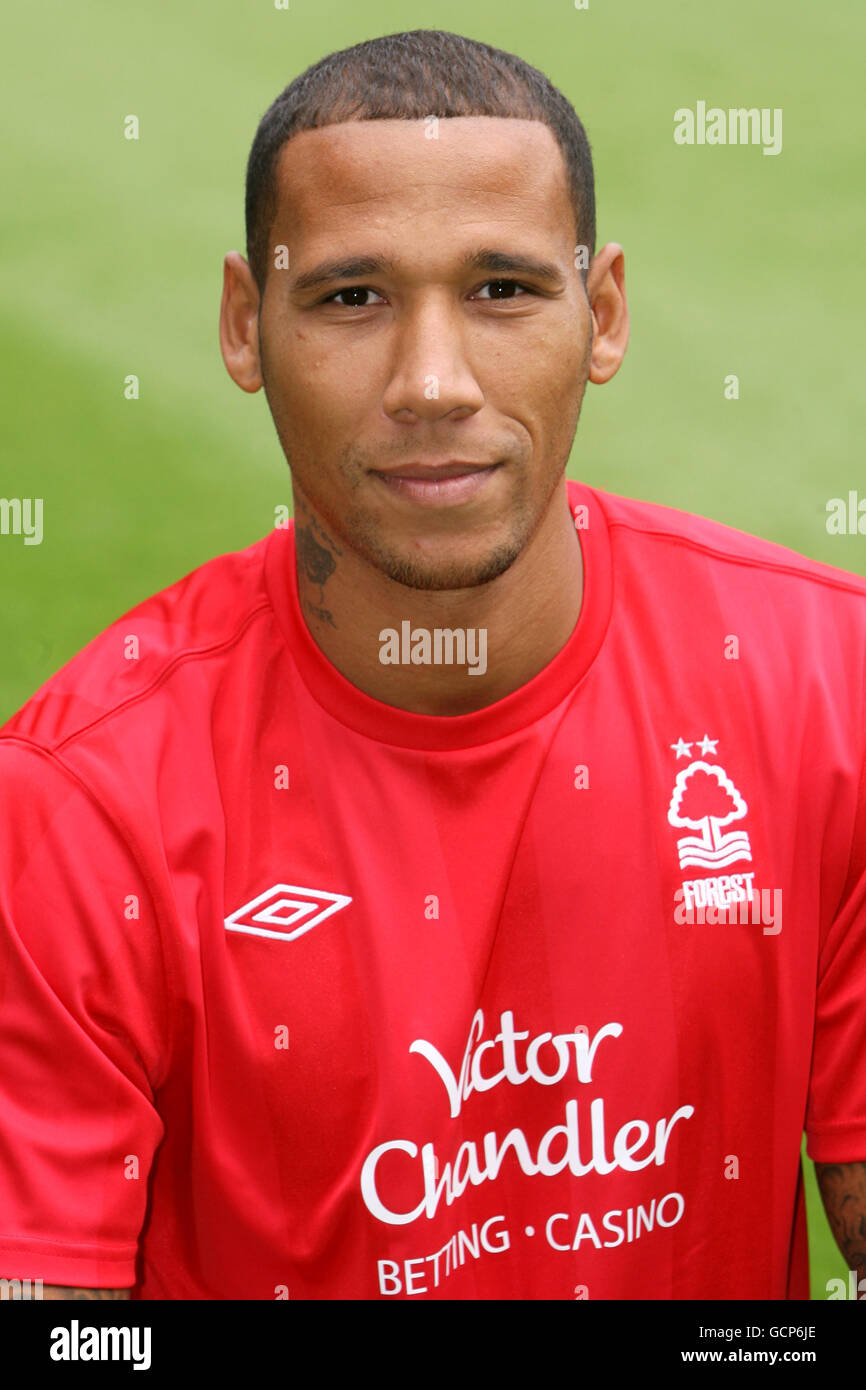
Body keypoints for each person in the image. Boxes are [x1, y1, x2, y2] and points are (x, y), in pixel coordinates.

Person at [1, 28, 864, 1302]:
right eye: (351, 296)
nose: (431, 382)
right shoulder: (80, 803)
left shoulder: (824, 687)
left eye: (502, 289)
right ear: (246, 328)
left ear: (602, 312)